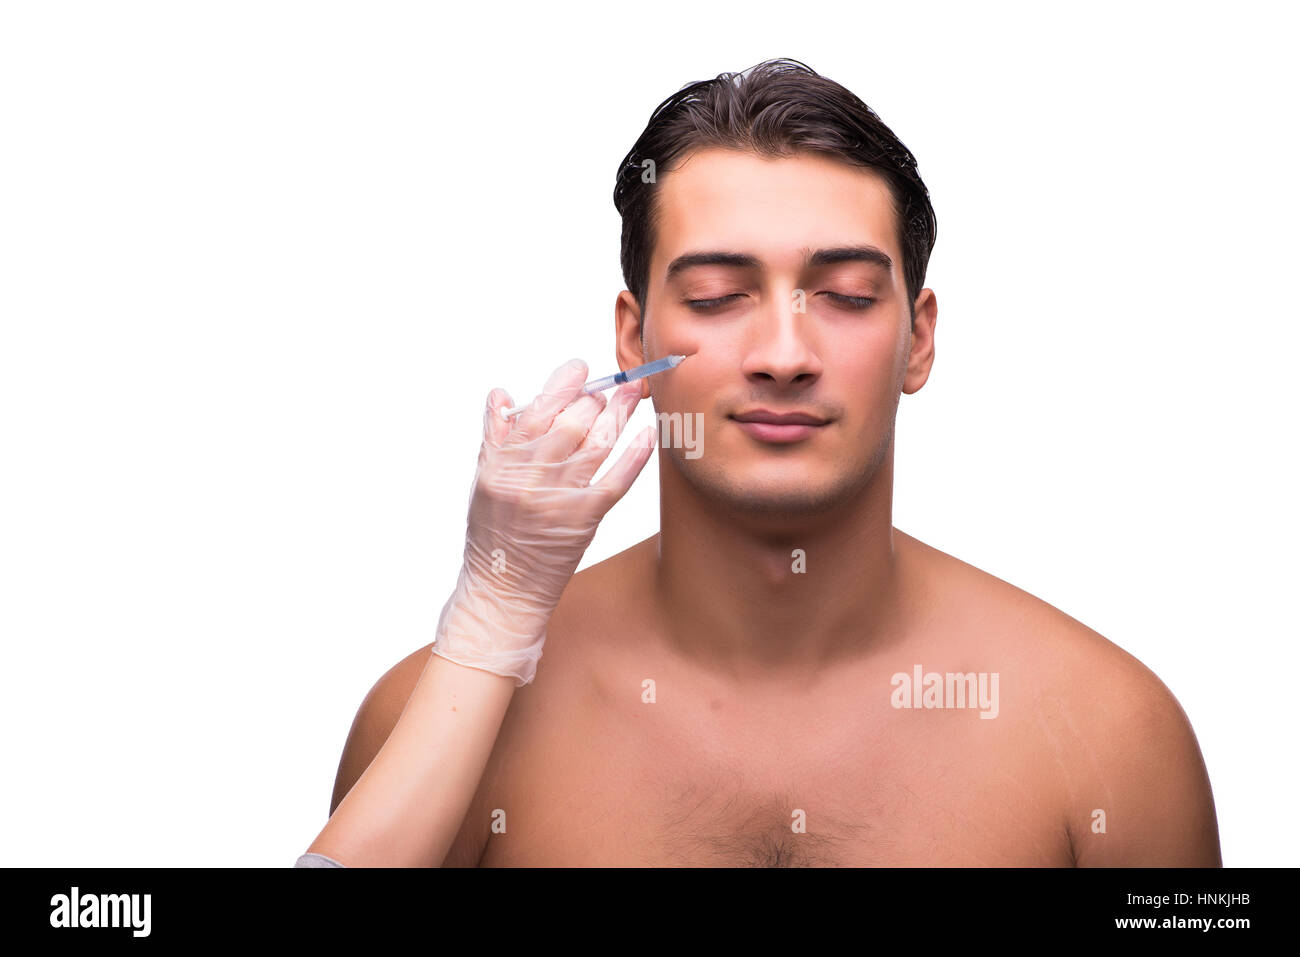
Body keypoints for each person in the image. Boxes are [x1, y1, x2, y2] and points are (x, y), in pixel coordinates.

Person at [298, 58, 1220, 867]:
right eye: (718, 295)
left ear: (919, 339)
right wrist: (491, 620)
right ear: (634, 337)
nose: (785, 352)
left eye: (848, 295)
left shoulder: (1110, 737)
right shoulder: (439, 728)